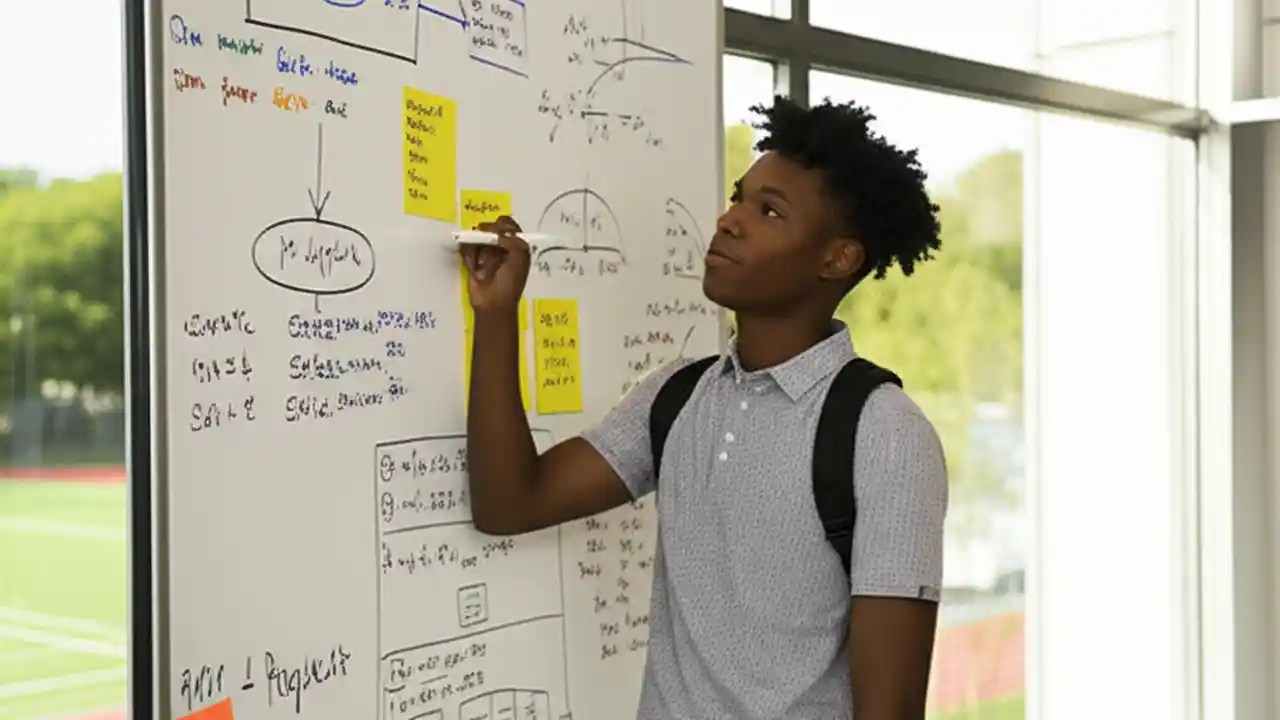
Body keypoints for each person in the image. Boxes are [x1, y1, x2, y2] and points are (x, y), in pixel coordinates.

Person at [459, 94, 948, 720]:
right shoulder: (677, 397)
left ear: (838, 258)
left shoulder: (885, 434)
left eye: (769, 211)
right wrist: (497, 316)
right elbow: (509, 503)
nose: (729, 220)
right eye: (738, 197)